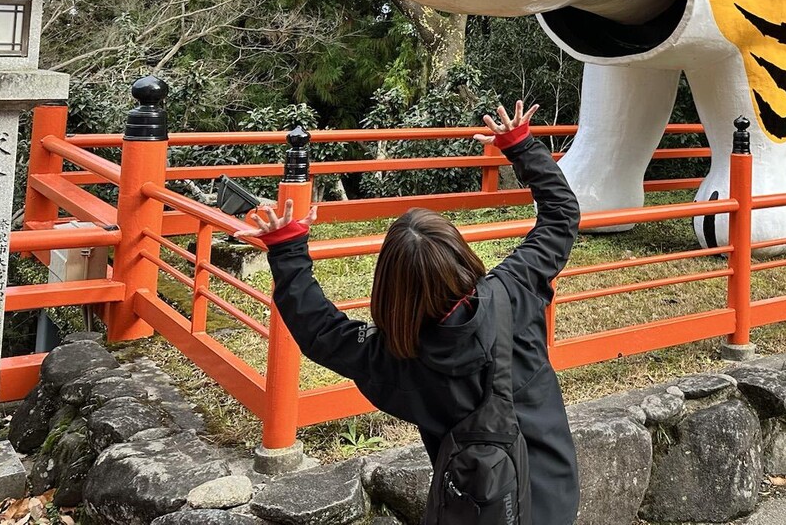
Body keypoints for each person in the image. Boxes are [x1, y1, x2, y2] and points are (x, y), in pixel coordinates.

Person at [238, 101, 582, 524]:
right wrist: (519, 144)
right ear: (461, 256)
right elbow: (561, 218)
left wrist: (288, 248)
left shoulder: (395, 358)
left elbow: (318, 330)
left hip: (476, 510)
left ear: (388, 288)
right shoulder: (512, 293)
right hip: (552, 496)